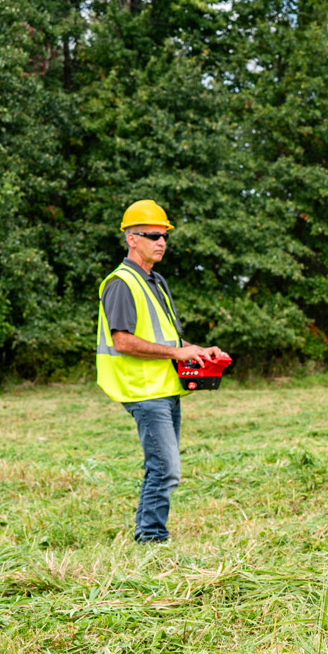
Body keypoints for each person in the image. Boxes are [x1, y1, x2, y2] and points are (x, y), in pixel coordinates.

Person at [94, 200, 230, 544]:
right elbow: (122, 341)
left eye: (164, 235)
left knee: (161, 467)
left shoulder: (155, 281)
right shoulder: (121, 283)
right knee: (166, 469)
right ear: (131, 239)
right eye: (153, 234)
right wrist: (177, 352)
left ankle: (149, 534)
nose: (161, 241)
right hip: (143, 391)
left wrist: (196, 350)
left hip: (164, 387)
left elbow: (168, 337)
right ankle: (151, 539)